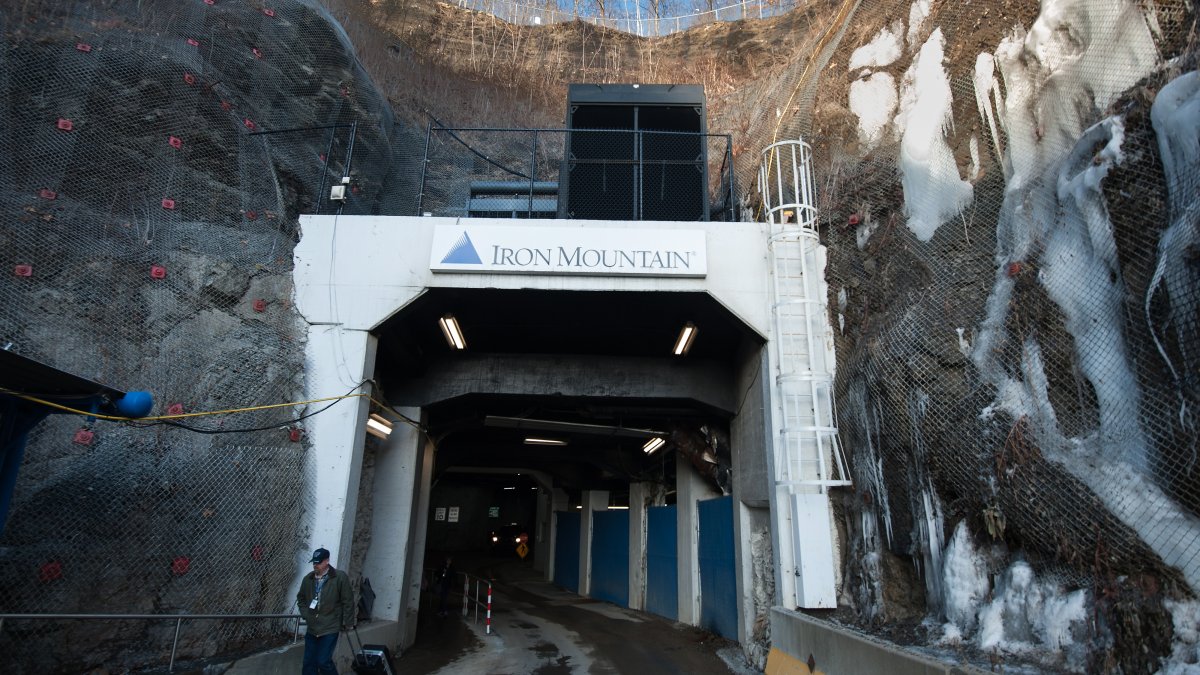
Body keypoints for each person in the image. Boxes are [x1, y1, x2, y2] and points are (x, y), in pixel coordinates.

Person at [296, 547, 355, 675]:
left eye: (318, 562)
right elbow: (300, 598)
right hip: (312, 627)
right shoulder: (308, 579)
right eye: (314, 562)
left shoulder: (339, 577)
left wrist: (347, 622)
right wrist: (306, 614)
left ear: (326, 561)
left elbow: (348, 601)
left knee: (323, 661)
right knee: (308, 662)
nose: (315, 565)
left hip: (330, 626)